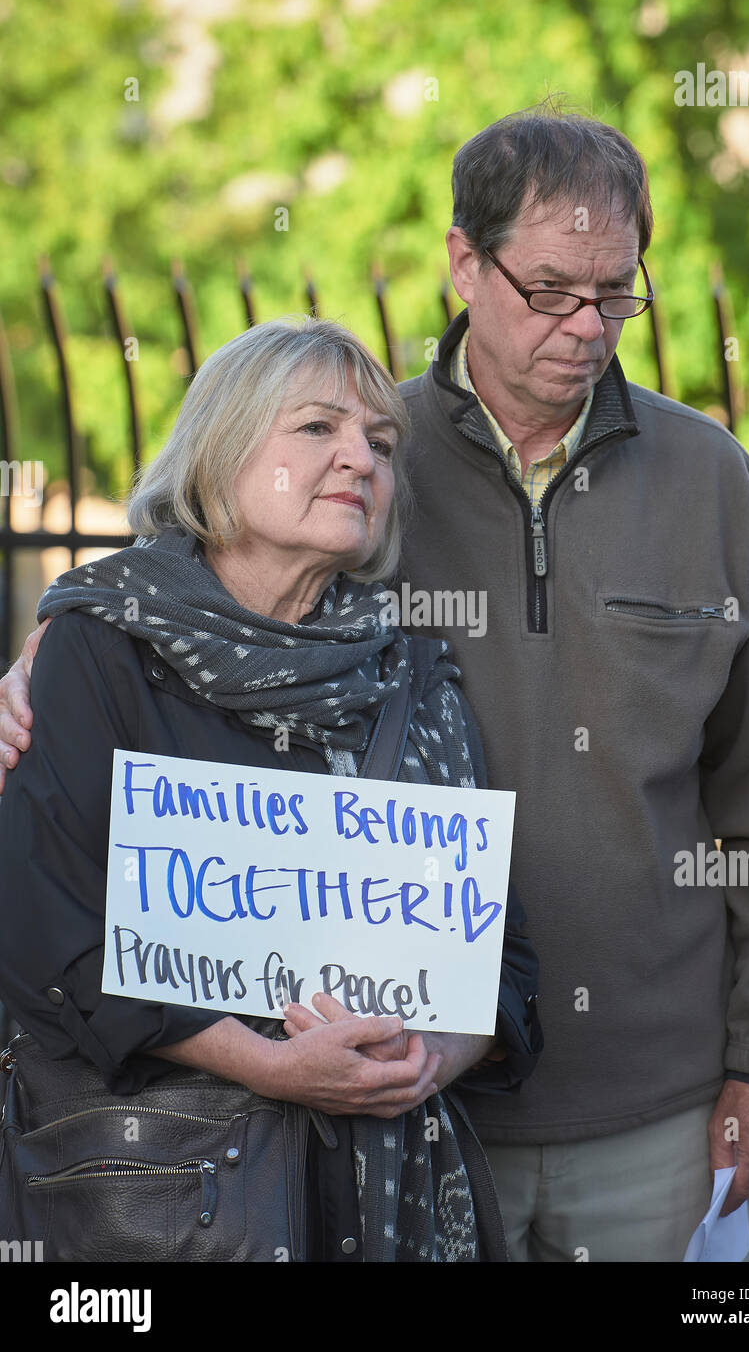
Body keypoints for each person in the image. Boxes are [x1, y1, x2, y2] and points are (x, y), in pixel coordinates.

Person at [2, 100, 749, 1263]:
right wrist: (47, 646)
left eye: (616, 290)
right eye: (550, 287)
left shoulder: (707, 480)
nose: (586, 324)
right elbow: (164, 615)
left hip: (653, 1109)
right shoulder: (351, 471)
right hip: (382, 1133)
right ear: (465, 261)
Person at [0, 315, 540, 1263]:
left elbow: (504, 957)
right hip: (175, 1193)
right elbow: (43, 931)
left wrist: (426, 1062)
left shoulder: (414, 680)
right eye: (318, 428)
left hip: (379, 1194)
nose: (359, 459)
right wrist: (268, 1065)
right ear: (221, 448)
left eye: (378, 442)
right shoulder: (100, 645)